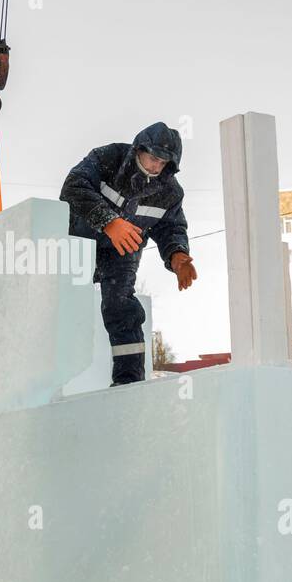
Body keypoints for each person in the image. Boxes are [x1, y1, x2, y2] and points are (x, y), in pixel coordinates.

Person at [60, 121, 197, 385]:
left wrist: (177, 256)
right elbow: (73, 186)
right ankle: (57, 375)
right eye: (154, 158)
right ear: (139, 149)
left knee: (121, 305)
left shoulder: (170, 192)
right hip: (80, 240)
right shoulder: (108, 158)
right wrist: (109, 221)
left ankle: (129, 382)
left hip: (122, 252)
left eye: (164, 163)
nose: (157, 166)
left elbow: (172, 227)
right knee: (64, 300)